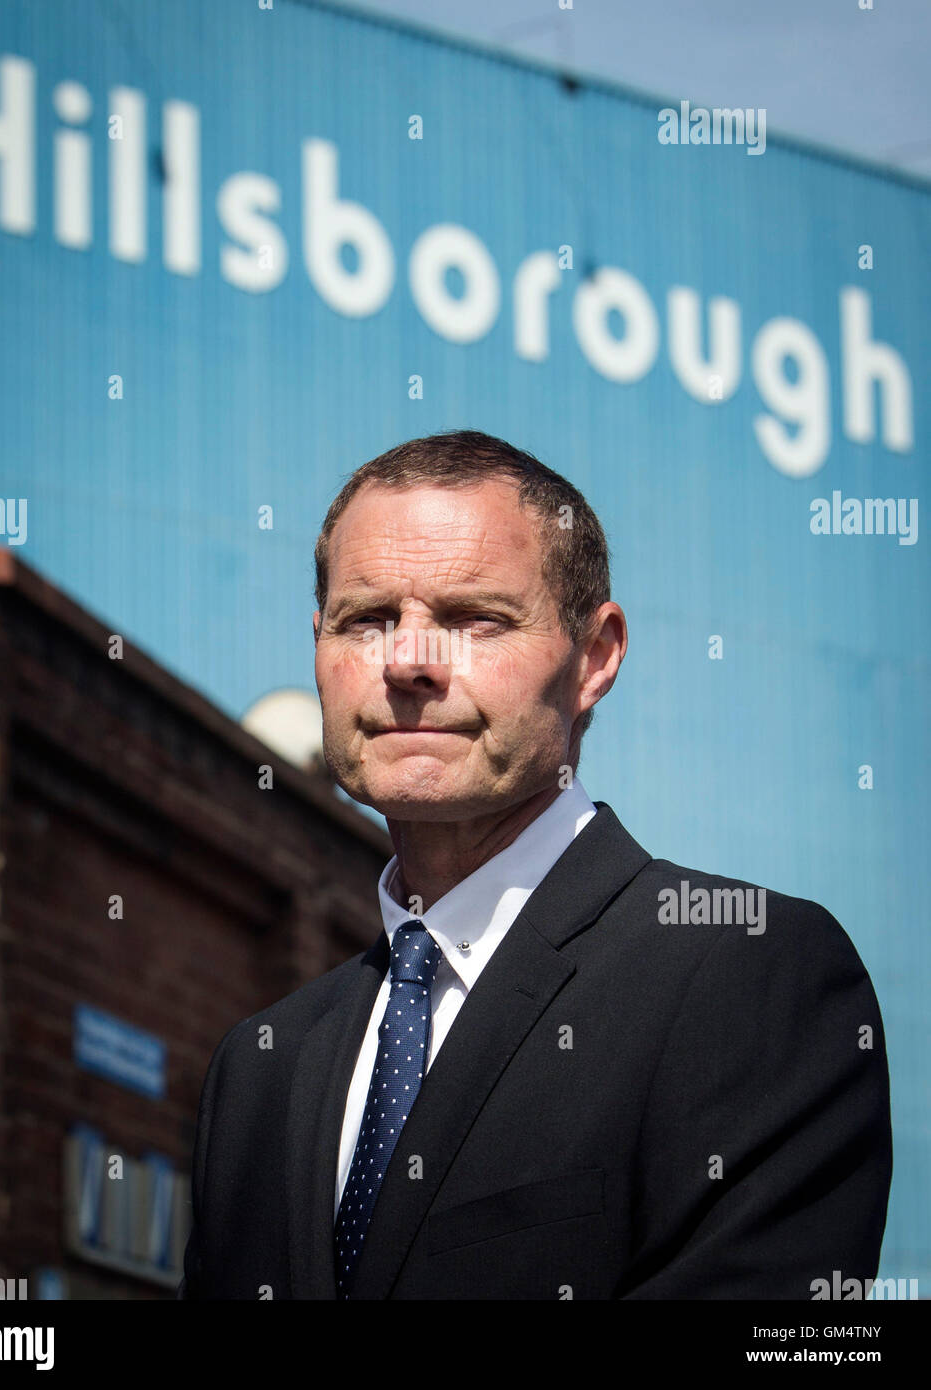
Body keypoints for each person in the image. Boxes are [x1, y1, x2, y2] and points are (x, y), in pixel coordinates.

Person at [178, 429, 891, 1300]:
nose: (408, 662)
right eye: (366, 620)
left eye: (473, 618)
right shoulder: (260, 1067)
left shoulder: (748, 977)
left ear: (595, 657)